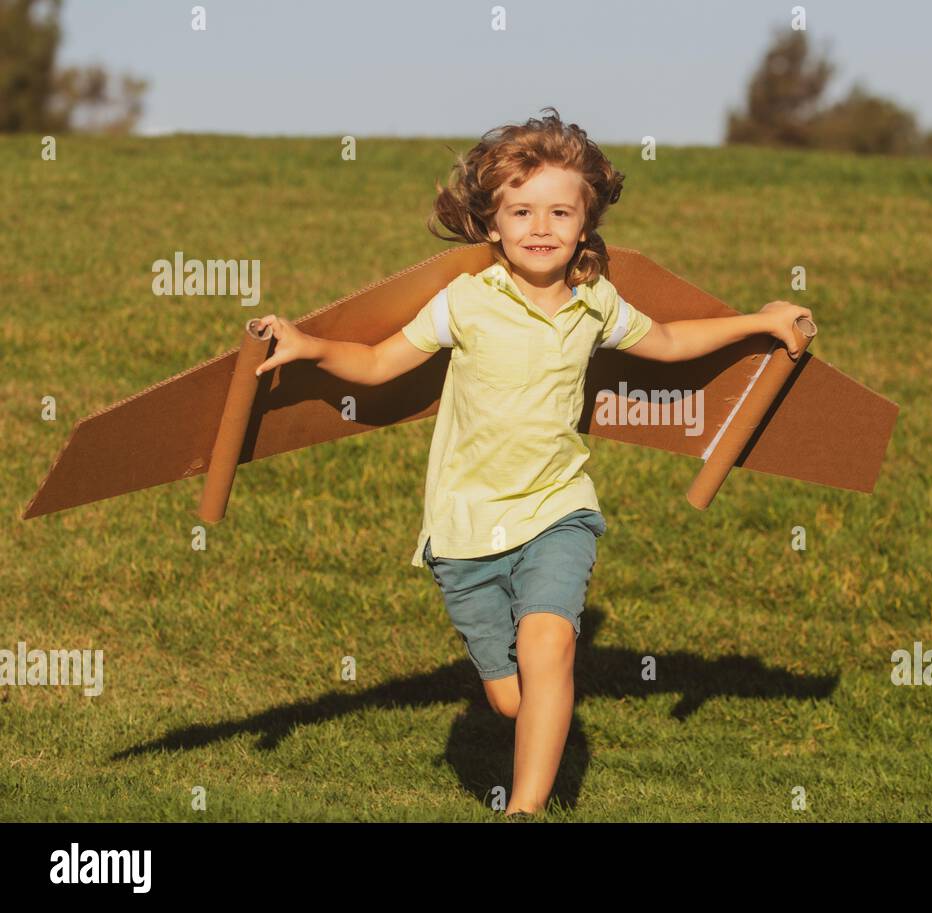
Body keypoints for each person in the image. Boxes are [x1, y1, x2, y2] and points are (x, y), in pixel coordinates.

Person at [250, 107, 811, 819]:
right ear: (492, 224)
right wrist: (309, 345)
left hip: (556, 508)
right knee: (512, 695)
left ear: (585, 222)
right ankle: (516, 714)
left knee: (551, 644)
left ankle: (525, 809)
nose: (540, 227)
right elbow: (378, 361)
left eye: (558, 211)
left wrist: (758, 321)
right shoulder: (466, 302)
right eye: (521, 210)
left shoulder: (594, 303)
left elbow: (668, 341)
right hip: (464, 530)